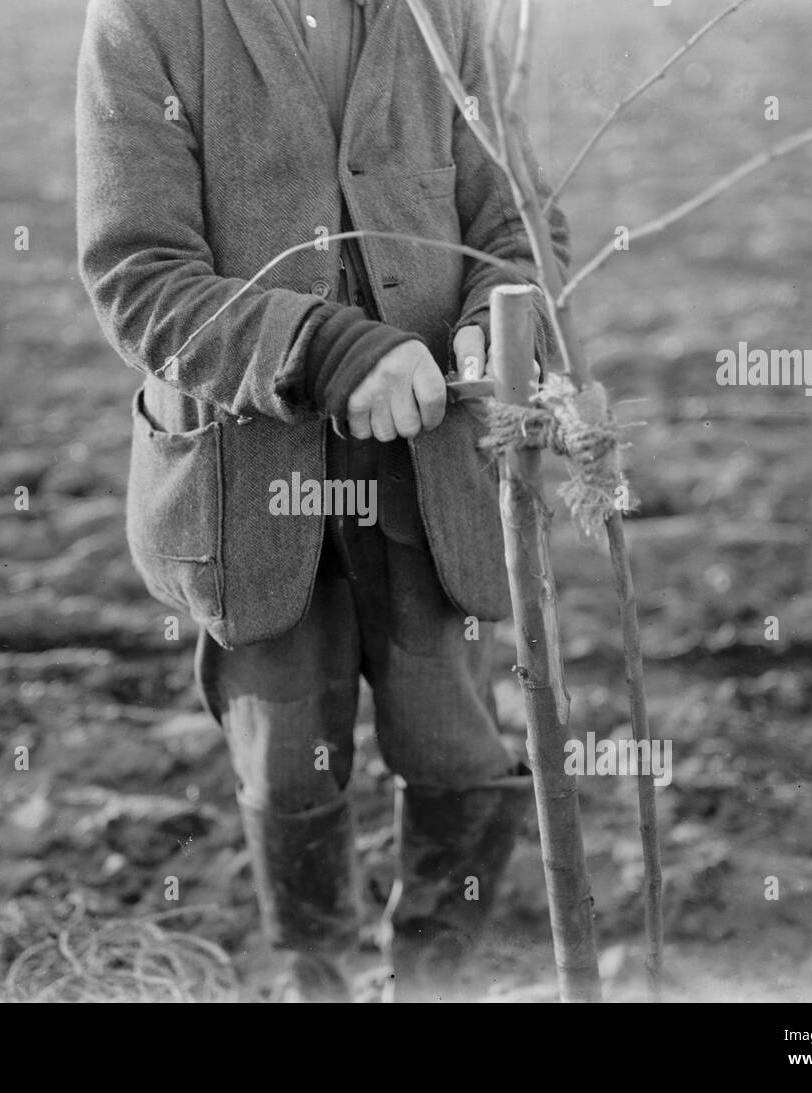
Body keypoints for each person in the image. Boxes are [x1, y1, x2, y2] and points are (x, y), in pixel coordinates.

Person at [76, 0, 568, 1002]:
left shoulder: (445, 13)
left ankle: (433, 984)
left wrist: (495, 324)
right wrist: (330, 351)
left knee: (456, 744)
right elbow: (139, 275)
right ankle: (316, 984)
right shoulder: (146, 19)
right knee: (289, 765)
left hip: (431, 472)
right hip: (247, 478)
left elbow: (517, 220)